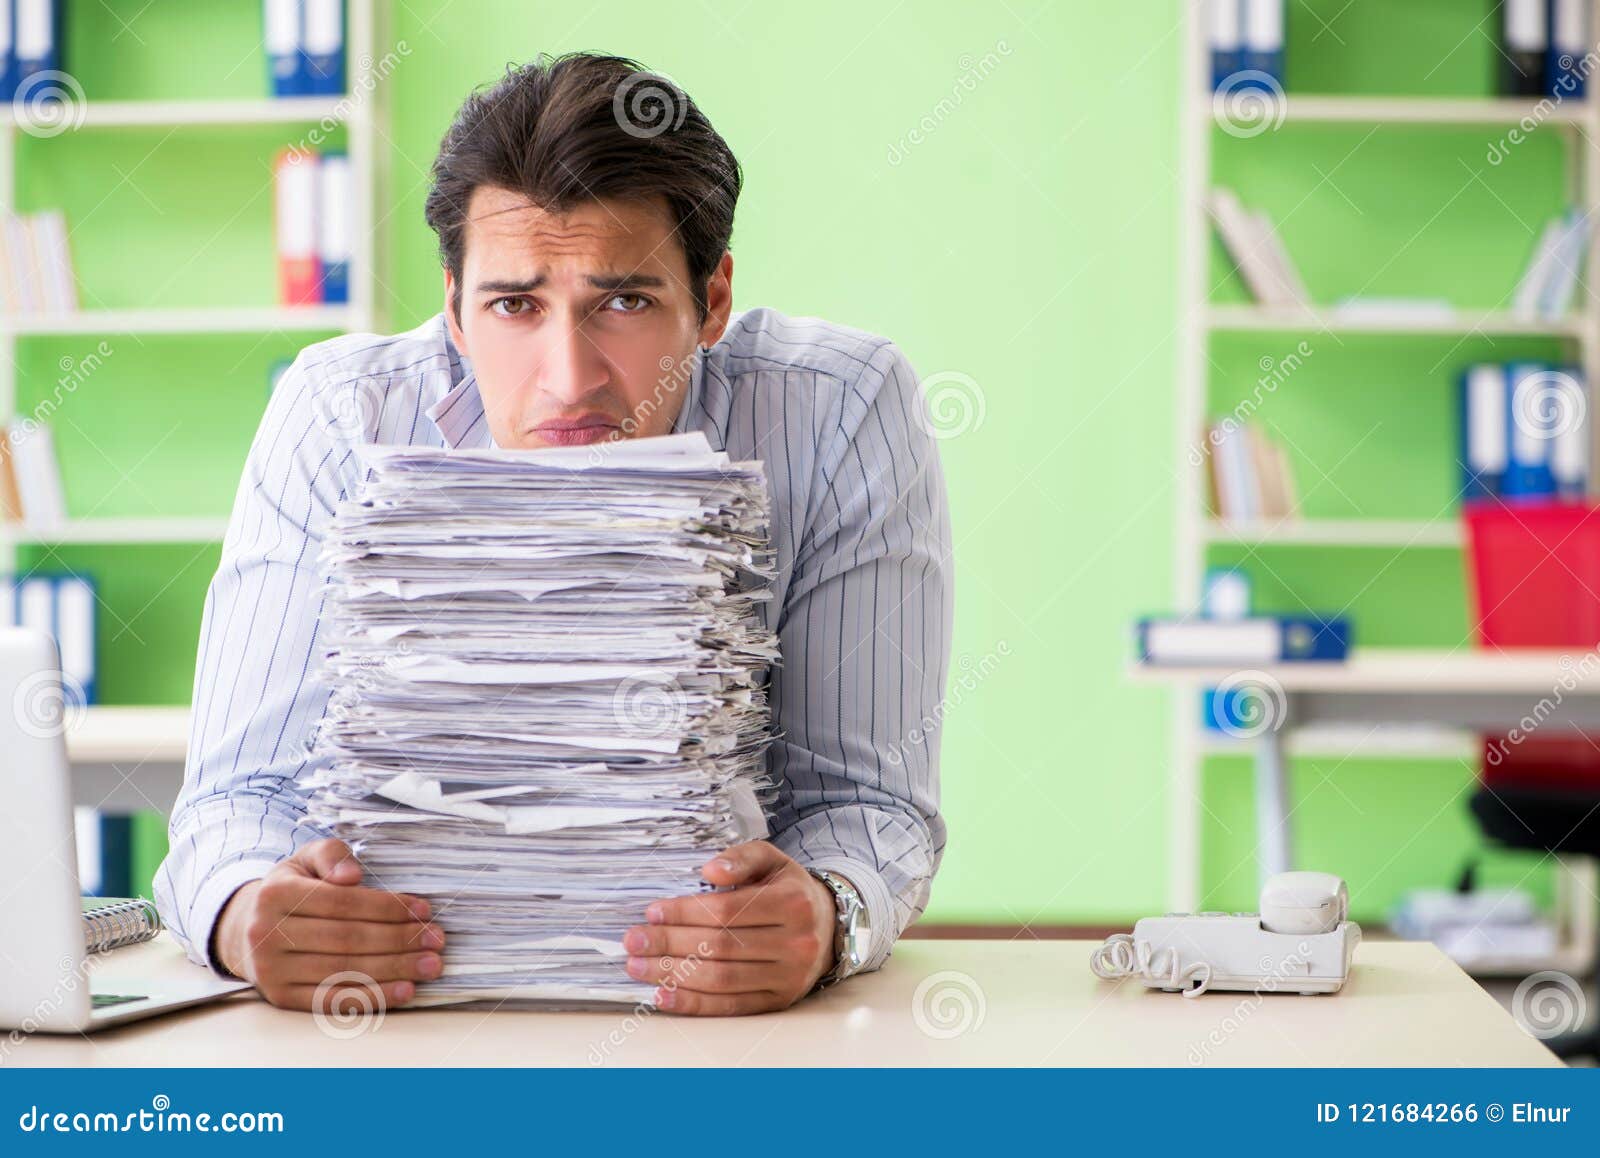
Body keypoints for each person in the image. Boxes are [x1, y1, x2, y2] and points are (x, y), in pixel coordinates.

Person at [154, 53, 953, 1017]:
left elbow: (862, 799)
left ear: (714, 299)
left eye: (624, 301)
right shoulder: (339, 418)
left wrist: (829, 916)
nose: (568, 378)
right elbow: (239, 796)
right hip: (396, 1017)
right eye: (514, 305)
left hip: (718, 1027)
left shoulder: (840, 408)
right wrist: (247, 915)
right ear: (453, 307)